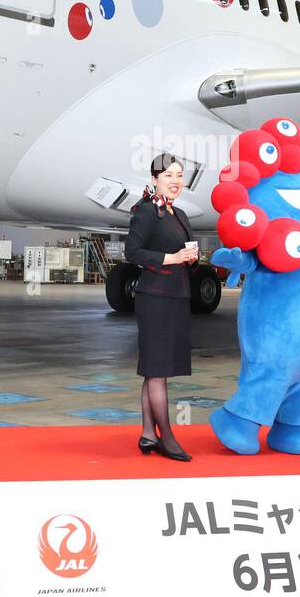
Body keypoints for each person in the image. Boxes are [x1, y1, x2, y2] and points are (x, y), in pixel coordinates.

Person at [124, 153, 198, 461]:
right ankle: (166, 436)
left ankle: (146, 434)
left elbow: (184, 256)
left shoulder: (179, 214)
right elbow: (133, 252)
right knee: (157, 371)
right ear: (155, 179)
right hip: (154, 298)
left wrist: (190, 260)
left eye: (179, 175)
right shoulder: (146, 212)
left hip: (177, 296)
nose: (175, 181)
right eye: (168, 175)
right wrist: (172, 259)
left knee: (156, 370)